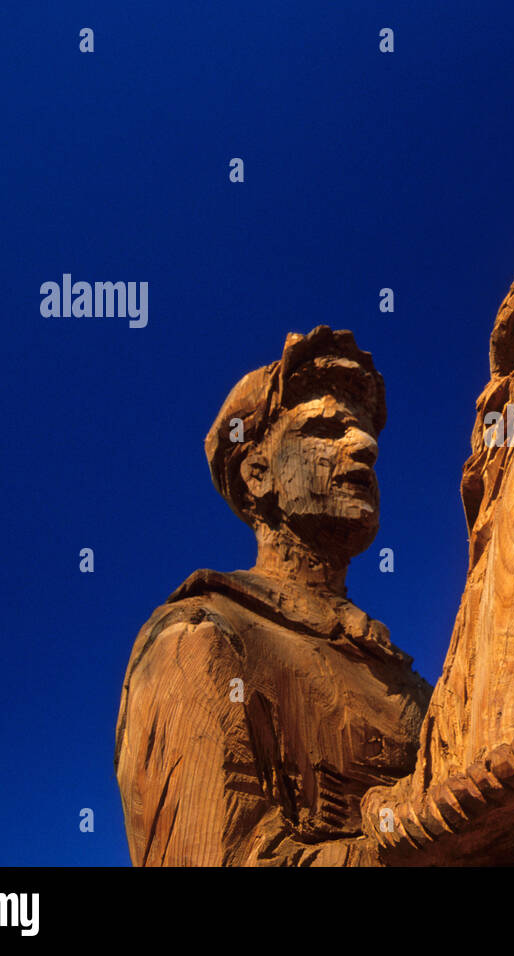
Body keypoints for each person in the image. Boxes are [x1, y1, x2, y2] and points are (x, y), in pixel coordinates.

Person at [114, 326, 430, 866]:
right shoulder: (201, 638)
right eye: (326, 430)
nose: (364, 446)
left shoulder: (412, 686)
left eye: (360, 430)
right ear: (258, 474)